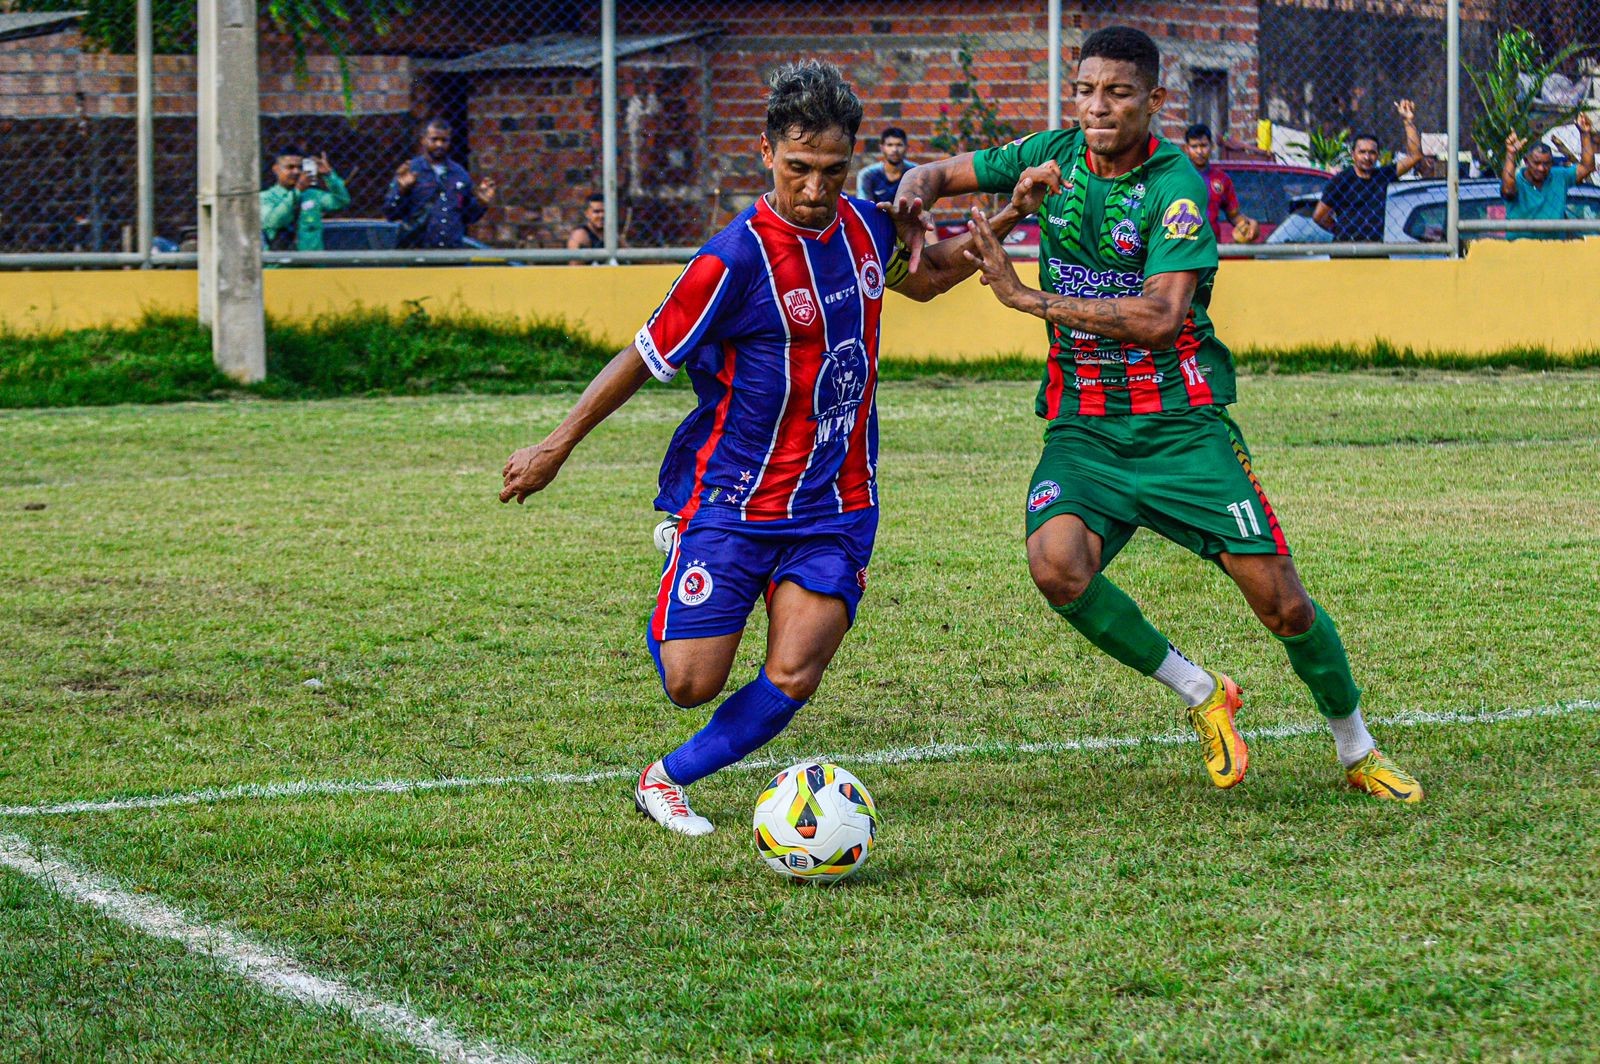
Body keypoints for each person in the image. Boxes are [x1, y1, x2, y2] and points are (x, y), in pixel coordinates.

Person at [499, 60, 1053, 835]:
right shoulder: (732, 259)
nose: (815, 188)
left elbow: (924, 280)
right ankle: (681, 551)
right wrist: (554, 448)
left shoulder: (865, 224)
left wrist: (1011, 216)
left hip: (836, 503)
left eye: (831, 169)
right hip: (734, 499)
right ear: (766, 153)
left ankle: (665, 780)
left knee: (796, 669)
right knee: (692, 683)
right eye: (798, 168)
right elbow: (640, 357)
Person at [893, 25, 1422, 802]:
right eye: (1085, 91)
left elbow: (1160, 318)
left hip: (1181, 426)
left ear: (1154, 100)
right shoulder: (1055, 152)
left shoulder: (1175, 187)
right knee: (1056, 566)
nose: (1098, 108)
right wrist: (914, 197)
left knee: (1282, 601)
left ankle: (1357, 749)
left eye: (1117, 92)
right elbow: (935, 172)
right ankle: (1204, 692)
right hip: (1085, 427)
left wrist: (1026, 296)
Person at [1312, 102, 1422, 242]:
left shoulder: (1383, 176)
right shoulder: (1341, 181)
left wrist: (1408, 121)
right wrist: (1341, 231)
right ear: (1353, 155)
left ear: (1378, 155)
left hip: (1375, 250)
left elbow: (1415, 156)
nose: (1367, 157)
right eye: (1362, 152)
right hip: (1346, 251)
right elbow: (1319, 216)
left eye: (1372, 153)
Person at [383, 119, 497, 249]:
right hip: (417, 253)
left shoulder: (459, 173)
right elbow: (390, 213)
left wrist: (481, 202)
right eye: (434, 139)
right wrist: (401, 191)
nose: (439, 145)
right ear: (423, 140)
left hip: (451, 253)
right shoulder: (410, 170)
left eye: (444, 140)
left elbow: (467, 217)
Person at [1501, 116, 1595, 240]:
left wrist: (1585, 134)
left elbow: (1587, 167)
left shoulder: (1559, 176)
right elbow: (1508, 189)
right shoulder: (1517, 181)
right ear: (1526, 161)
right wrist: (1511, 154)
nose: (1541, 168)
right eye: (1537, 163)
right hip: (1520, 251)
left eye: (1546, 163)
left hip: (1554, 250)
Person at [259, 149, 350, 252]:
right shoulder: (265, 197)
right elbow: (273, 222)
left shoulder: (313, 195)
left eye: (300, 167)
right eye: (290, 167)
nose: (296, 172)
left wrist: (329, 175)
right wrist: (297, 191)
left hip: (311, 264)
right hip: (280, 265)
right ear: (276, 169)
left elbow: (342, 201)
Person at [1181, 122, 1257, 242]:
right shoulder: (1175, 177)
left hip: (1211, 245)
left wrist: (1248, 224)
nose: (1199, 151)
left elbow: (1234, 215)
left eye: (1203, 145)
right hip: (1182, 247)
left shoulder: (1222, 180)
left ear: (1211, 146)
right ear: (1186, 148)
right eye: (1194, 146)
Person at [856, 126, 916, 204]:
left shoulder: (915, 172)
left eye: (899, 145)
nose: (894, 150)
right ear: (882, 148)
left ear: (906, 147)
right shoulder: (867, 174)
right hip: (875, 215)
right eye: (890, 145)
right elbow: (864, 205)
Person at [566, 192, 609, 264]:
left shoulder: (611, 234)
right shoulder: (580, 235)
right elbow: (575, 271)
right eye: (596, 212)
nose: (602, 215)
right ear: (587, 214)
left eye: (605, 211)